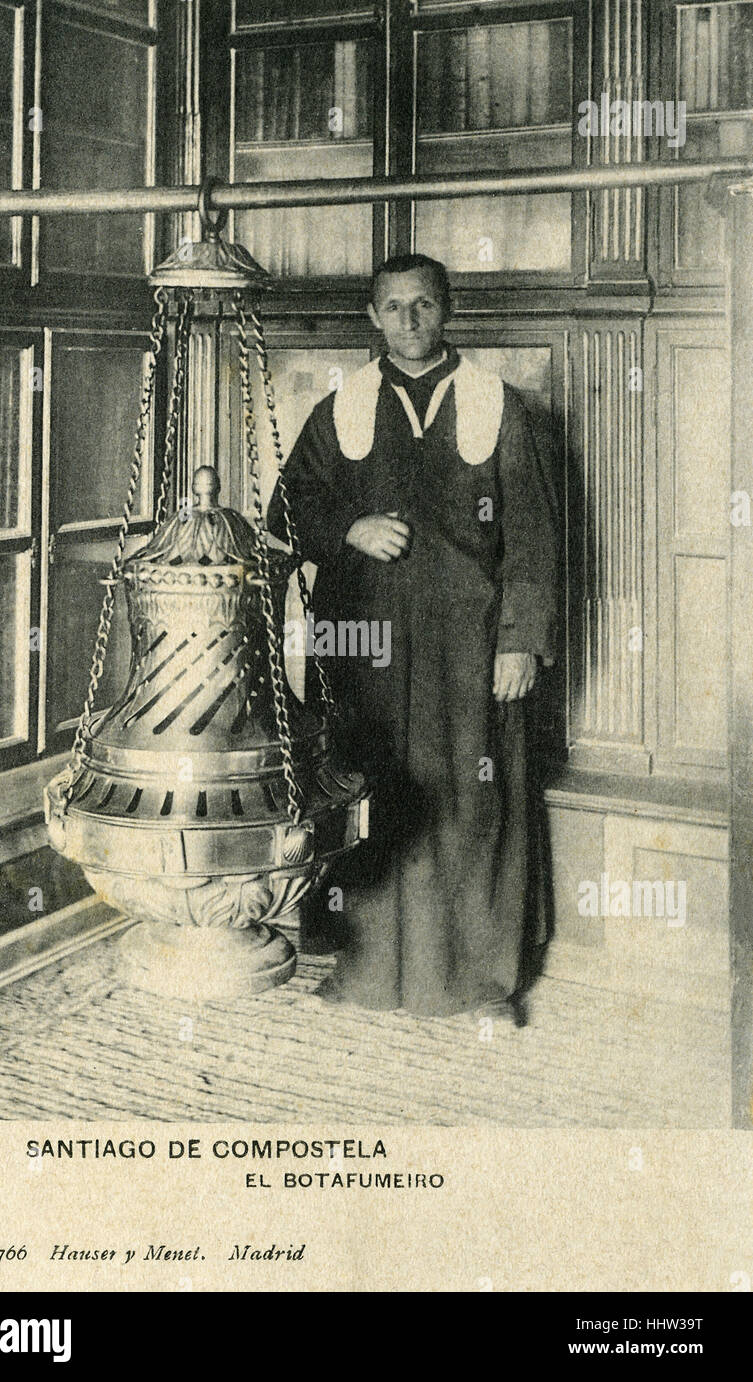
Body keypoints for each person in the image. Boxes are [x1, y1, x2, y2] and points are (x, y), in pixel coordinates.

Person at [266, 254, 559, 1020]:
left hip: (470, 645)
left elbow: (531, 533)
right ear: (372, 316)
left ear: (447, 310)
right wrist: (349, 528)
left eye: (422, 305)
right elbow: (285, 513)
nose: (407, 321)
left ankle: (483, 982)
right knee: (371, 796)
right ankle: (364, 972)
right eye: (391, 307)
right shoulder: (343, 405)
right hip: (362, 646)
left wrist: (520, 640)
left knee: (473, 802)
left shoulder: (498, 404)